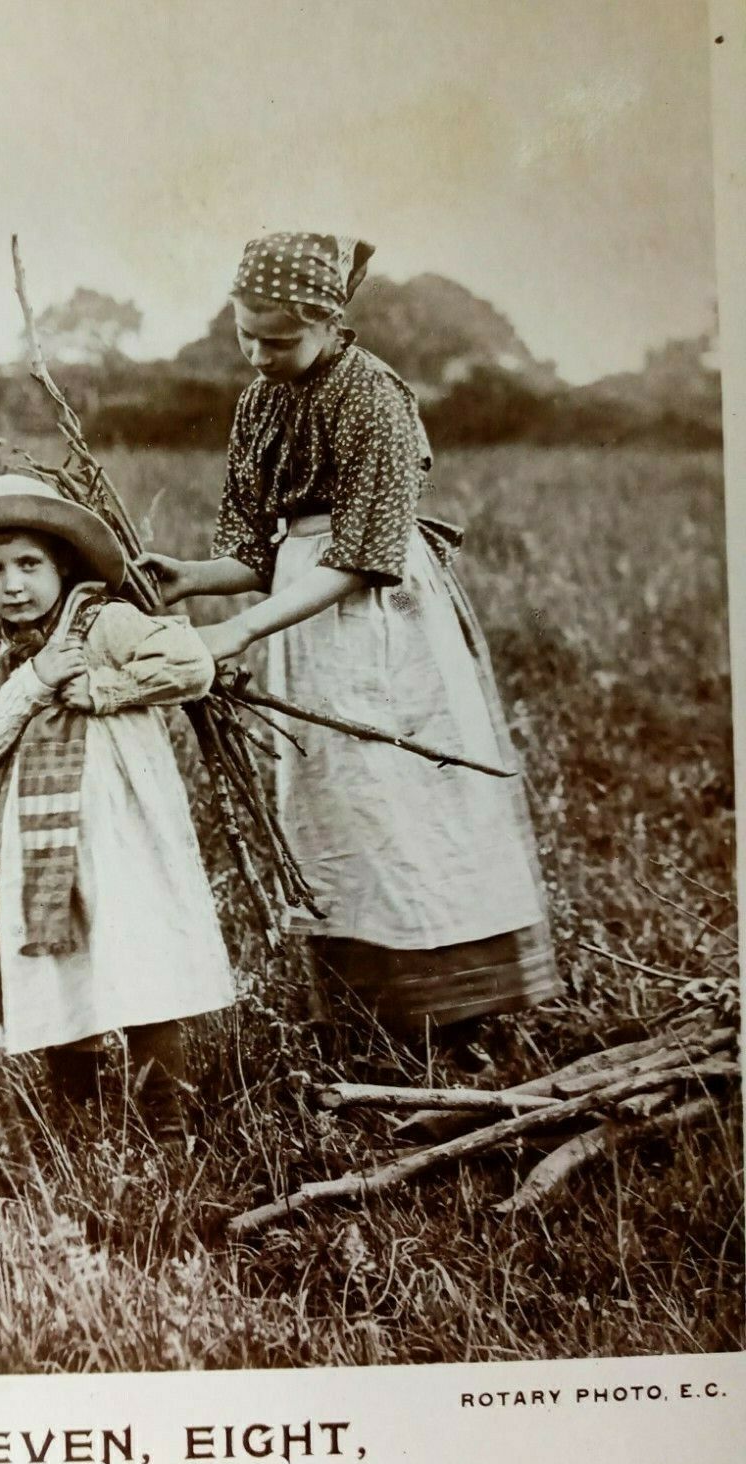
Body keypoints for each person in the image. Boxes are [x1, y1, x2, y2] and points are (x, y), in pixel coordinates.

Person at [139, 232, 561, 1062]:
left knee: (401, 793)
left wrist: (241, 627)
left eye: (278, 340)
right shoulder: (259, 402)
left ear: (329, 321)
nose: (259, 355)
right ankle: (368, 1016)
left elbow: (365, 555)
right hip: (305, 619)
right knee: (332, 803)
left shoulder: (374, 396)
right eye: (246, 336)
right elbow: (257, 550)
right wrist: (190, 577)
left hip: (385, 622)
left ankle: (456, 1016)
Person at [0, 472, 234, 1152]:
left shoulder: (105, 622)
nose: (13, 585)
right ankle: (79, 1121)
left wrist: (108, 686)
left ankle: (165, 1122)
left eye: (29, 564)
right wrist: (34, 682)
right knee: (59, 960)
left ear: (60, 564)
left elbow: (191, 666)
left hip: (121, 827)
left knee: (138, 948)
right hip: (37, 842)